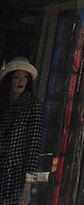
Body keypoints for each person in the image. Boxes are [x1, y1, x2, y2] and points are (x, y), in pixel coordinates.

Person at [0, 58, 44, 205]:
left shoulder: (33, 106)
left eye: (25, 77)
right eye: (16, 76)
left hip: (14, 179)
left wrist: (27, 187)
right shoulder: (4, 105)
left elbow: (33, 149)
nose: (21, 81)